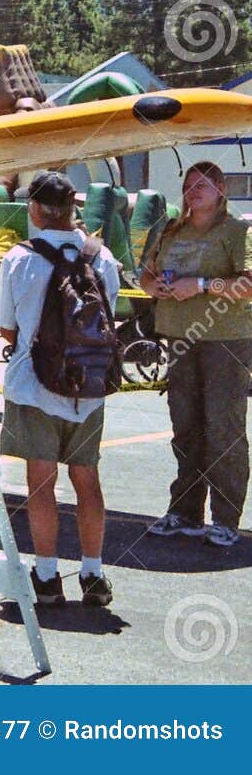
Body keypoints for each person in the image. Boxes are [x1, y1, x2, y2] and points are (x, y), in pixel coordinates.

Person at [0, 171, 119, 607]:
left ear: (36, 210)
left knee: (41, 484)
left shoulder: (20, 259)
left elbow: (7, 329)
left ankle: (45, 576)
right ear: (73, 209)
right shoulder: (104, 258)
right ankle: (93, 574)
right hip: (89, 386)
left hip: (34, 386)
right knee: (87, 479)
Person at [139, 161, 251, 549]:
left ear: (221, 190)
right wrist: (157, 288)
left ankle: (225, 518)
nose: (193, 192)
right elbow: (145, 274)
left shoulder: (238, 231)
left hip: (225, 341)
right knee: (185, 428)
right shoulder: (171, 230)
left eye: (202, 185)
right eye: (188, 185)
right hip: (181, 340)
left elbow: (248, 285)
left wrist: (202, 285)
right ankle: (186, 511)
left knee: (223, 429)